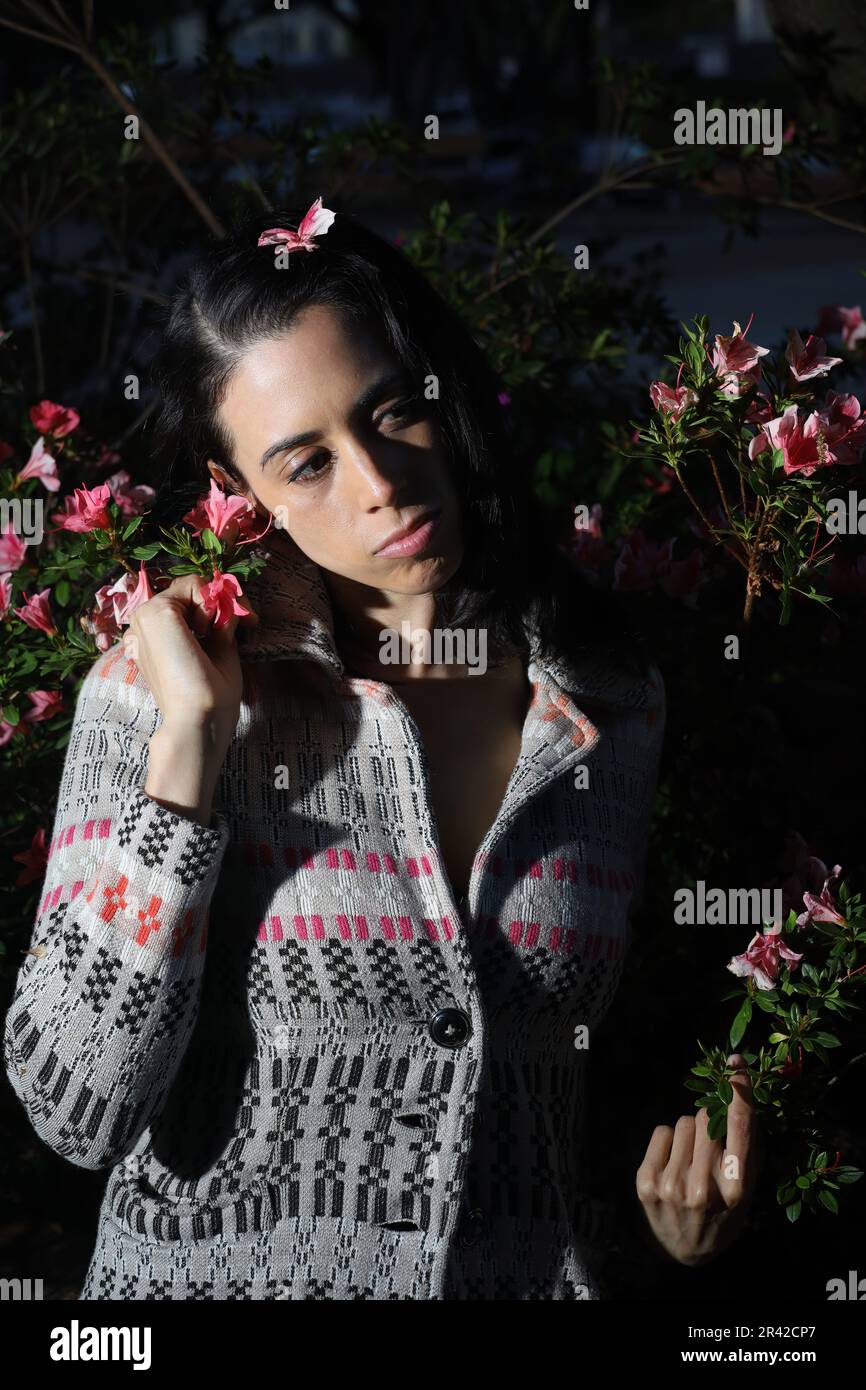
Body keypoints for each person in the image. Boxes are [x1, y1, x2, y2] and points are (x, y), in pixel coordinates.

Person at [3, 201, 756, 1300]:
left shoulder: (603, 699)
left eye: (394, 410)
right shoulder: (159, 699)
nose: (379, 481)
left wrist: (680, 1246)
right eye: (304, 462)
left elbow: (550, 1097)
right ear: (239, 499)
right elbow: (77, 1109)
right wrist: (189, 755)